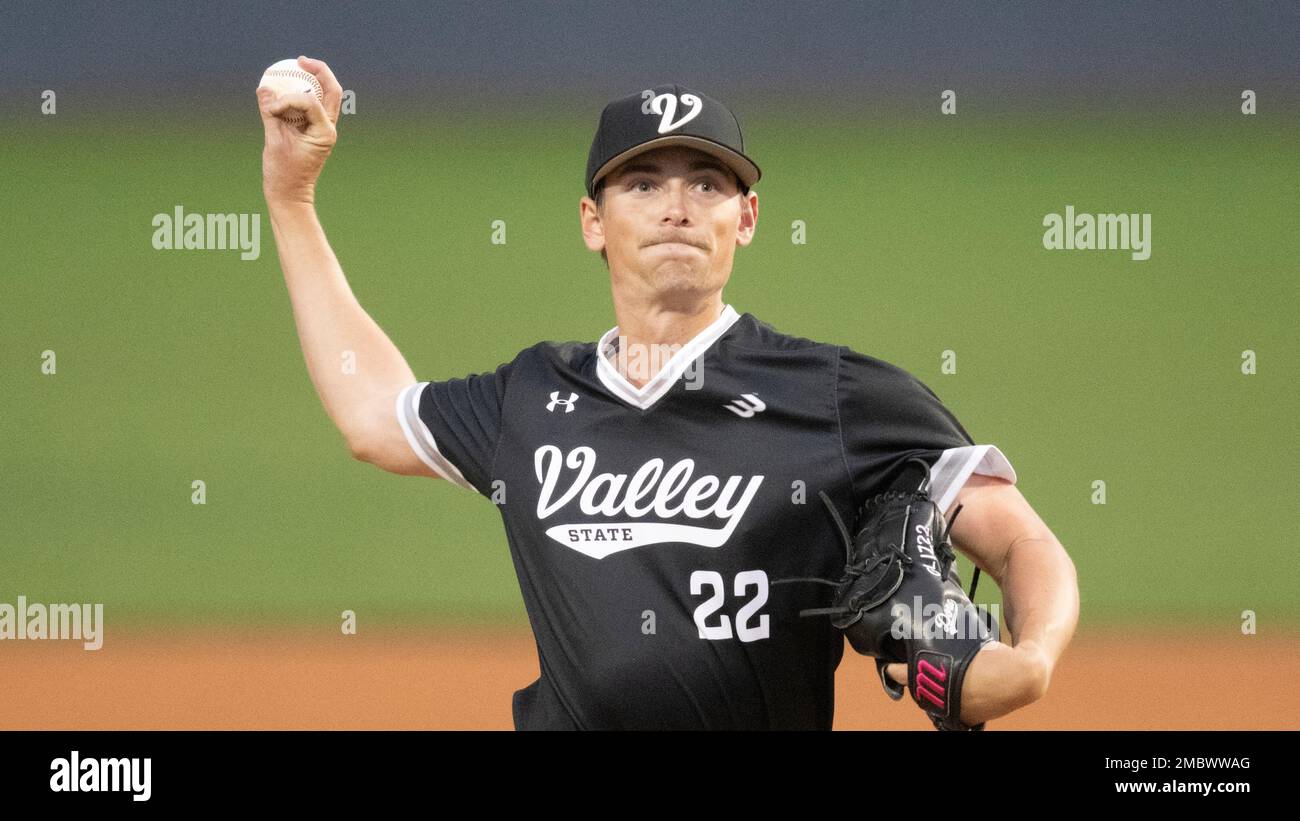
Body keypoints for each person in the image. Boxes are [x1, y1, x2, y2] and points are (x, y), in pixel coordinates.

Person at [257, 57, 1079, 730]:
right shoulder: (534, 394)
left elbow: (1021, 543)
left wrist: (1032, 658)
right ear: (593, 220)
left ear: (747, 217)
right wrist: (292, 200)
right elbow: (373, 414)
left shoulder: (837, 395)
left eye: (707, 184)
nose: (677, 207)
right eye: (643, 183)